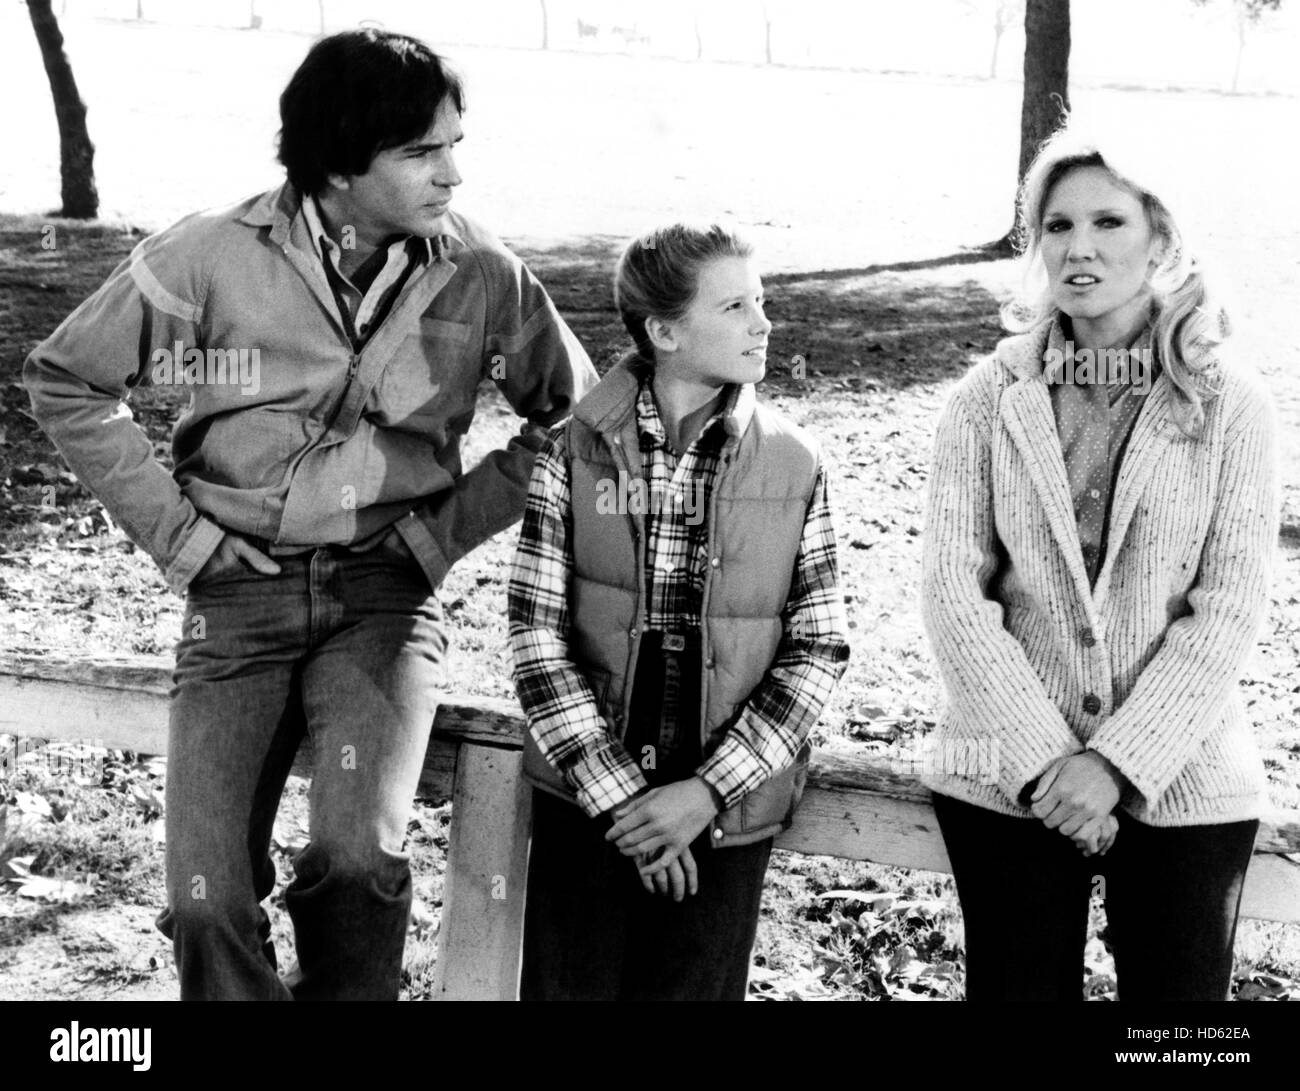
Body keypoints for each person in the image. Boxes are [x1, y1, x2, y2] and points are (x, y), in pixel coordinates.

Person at [23, 29, 596, 1000]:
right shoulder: (207, 254)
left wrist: (440, 532)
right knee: (207, 898)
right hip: (235, 603)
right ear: (337, 163)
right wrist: (184, 538)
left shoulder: (482, 270)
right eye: (421, 151)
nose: (453, 175)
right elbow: (67, 381)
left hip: (384, 601)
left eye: (456, 145)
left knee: (357, 859)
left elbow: (578, 420)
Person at [921, 123, 1280, 1001]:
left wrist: (1115, 764)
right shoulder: (986, 398)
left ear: (1162, 235)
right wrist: (1050, 764)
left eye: (1109, 222)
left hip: (1183, 770)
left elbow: (1229, 606)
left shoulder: (1231, 402)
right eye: (1056, 225)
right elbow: (953, 596)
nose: (1079, 247)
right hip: (1010, 772)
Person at [508, 222, 850, 1000]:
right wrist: (626, 804)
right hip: (587, 799)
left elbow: (819, 647)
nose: (764, 323)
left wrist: (702, 795)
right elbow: (535, 637)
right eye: (735, 306)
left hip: (725, 816)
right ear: (663, 330)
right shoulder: (574, 449)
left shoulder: (796, 462)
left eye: (760, 301)